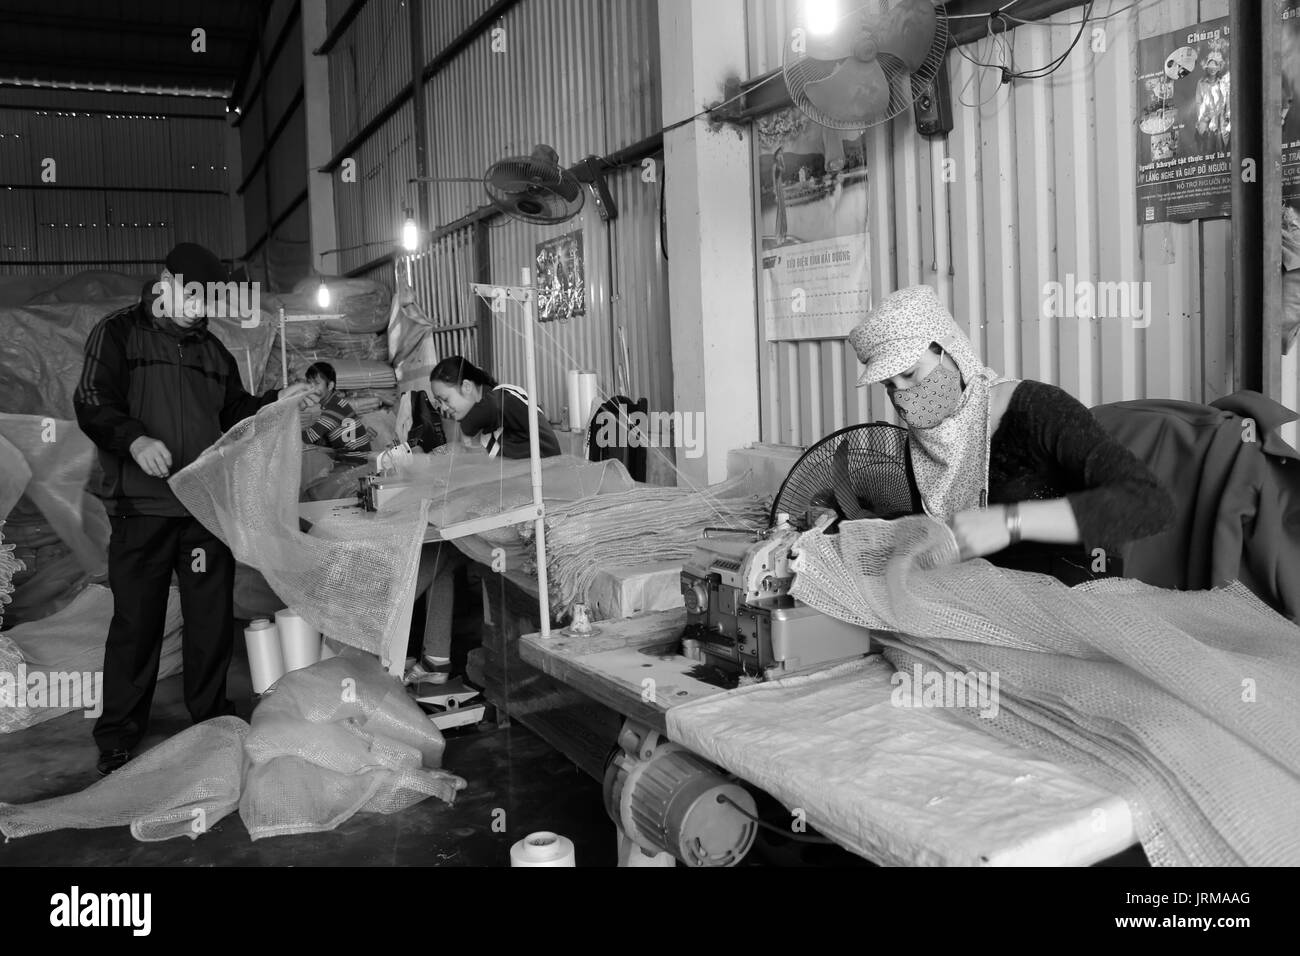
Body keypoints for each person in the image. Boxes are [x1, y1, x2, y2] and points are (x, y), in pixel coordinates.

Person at [74, 242, 312, 775]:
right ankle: (118, 734)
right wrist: (134, 440)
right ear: (165, 282)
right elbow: (91, 400)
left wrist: (276, 400)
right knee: (138, 620)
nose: (198, 307)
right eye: (191, 295)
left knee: (209, 620)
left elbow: (235, 413)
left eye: (207, 299)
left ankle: (212, 718)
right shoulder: (118, 333)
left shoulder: (214, 352)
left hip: (202, 509)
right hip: (141, 507)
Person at [847, 284, 1174, 585]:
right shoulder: (922, 446)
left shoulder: (1036, 408)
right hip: (979, 600)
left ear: (949, 350)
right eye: (890, 384)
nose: (903, 394)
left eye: (909, 373)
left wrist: (1010, 523)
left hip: (1072, 595)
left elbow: (1150, 504)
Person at [403, 356, 561, 685]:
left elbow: (479, 420)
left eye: (446, 399)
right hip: (511, 516)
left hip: (539, 519)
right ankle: (436, 660)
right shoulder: (489, 436)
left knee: (439, 551)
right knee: (438, 553)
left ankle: (380, 625)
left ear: (468, 386)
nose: (445, 409)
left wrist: (454, 441)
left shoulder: (509, 395)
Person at [301, 361, 372, 464]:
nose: (311, 389)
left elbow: (306, 439)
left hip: (355, 462)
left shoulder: (333, 410)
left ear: (330, 385)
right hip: (350, 456)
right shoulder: (336, 402)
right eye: (309, 383)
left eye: (316, 383)